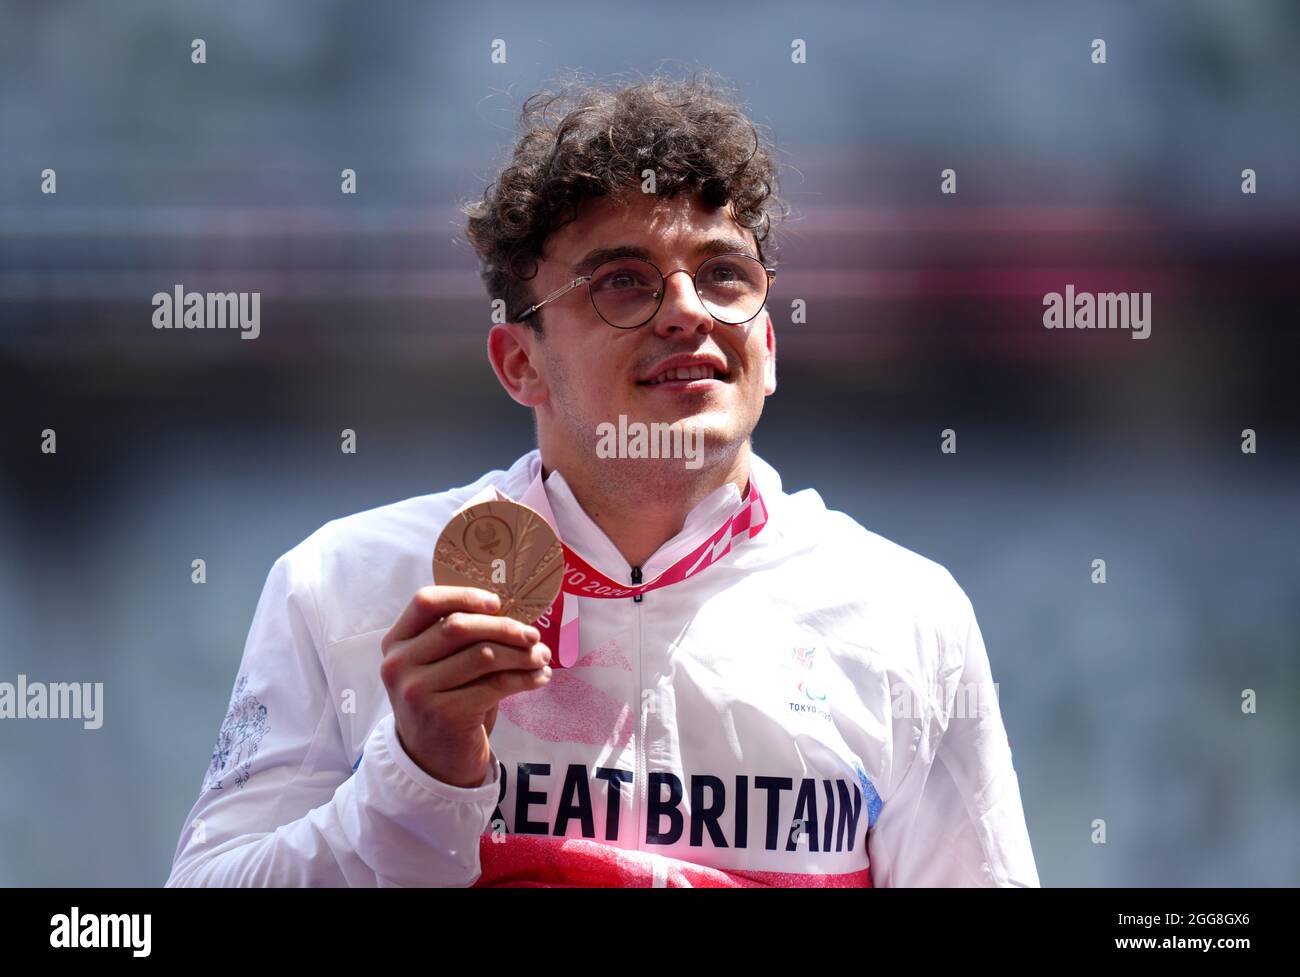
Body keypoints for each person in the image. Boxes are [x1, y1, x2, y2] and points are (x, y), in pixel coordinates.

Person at [165, 71, 1040, 887]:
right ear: (519, 364)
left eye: (725, 274)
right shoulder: (343, 585)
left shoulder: (909, 617)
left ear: (768, 348)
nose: (691, 311)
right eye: (624, 283)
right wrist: (415, 773)